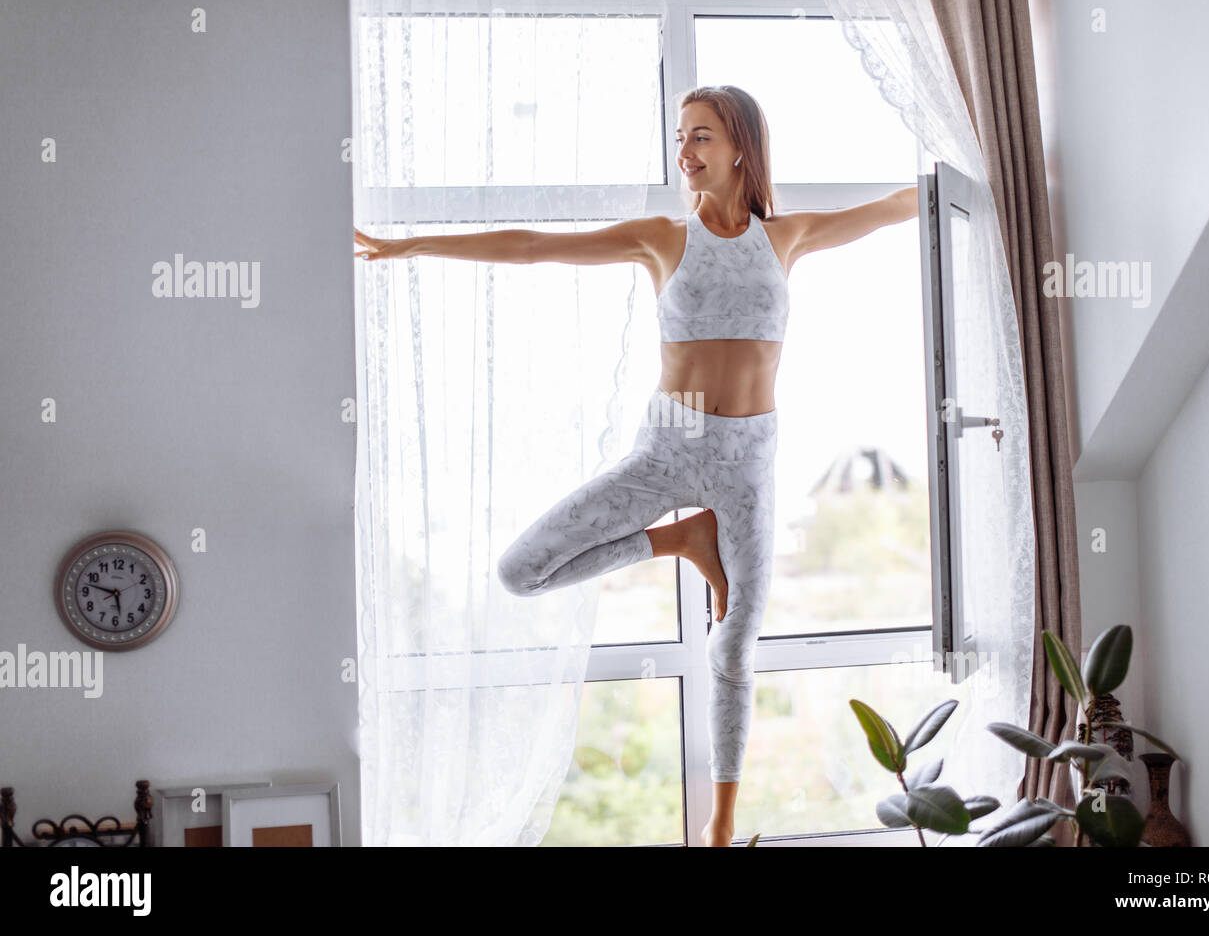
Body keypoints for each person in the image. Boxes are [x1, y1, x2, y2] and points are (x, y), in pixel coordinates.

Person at [355, 85, 918, 846]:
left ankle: (720, 826)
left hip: (748, 458)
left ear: (741, 146)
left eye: (701, 138)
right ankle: (680, 542)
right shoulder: (661, 238)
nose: (685, 154)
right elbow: (531, 247)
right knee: (522, 571)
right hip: (670, 442)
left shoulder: (788, 237)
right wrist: (409, 246)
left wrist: (987, 168)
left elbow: (894, 206)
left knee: (735, 641)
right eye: (681, 138)